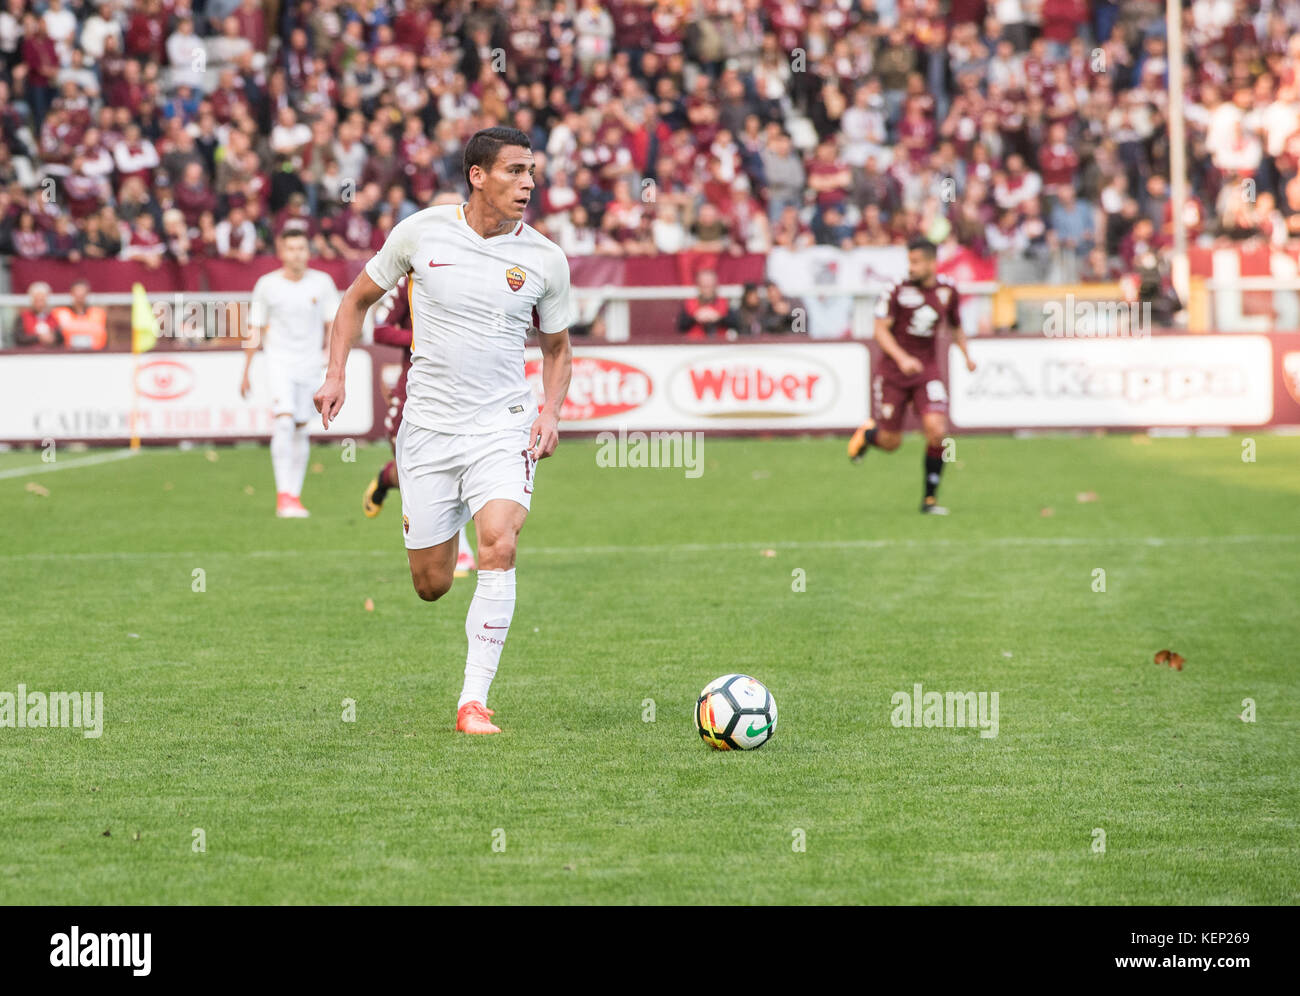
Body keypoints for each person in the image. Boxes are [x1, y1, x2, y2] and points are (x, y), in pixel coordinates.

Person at [314, 126, 574, 736]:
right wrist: (336, 376)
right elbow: (354, 302)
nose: (528, 183)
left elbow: (559, 349)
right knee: (431, 585)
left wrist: (550, 411)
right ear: (478, 175)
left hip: (503, 427)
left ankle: (473, 702)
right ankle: (450, 513)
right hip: (428, 430)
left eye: (532, 171)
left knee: (500, 545)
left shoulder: (544, 257)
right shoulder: (420, 232)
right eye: (514, 171)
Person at [847, 238, 977, 515]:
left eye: (917, 262)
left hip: (926, 371)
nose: (912, 267)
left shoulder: (947, 290)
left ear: (932, 262)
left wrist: (967, 355)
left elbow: (956, 326)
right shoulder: (896, 289)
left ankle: (929, 499)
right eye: (909, 262)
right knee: (891, 443)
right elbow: (880, 330)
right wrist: (902, 358)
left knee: (937, 431)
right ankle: (869, 435)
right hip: (893, 372)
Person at [363, 271, 478, 578]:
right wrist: (421, 339)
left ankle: (462, 551)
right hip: (414, 391)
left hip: (464, 391)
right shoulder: (411, 277)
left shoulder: (476, 269)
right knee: (419, 472)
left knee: (457, 469)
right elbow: (379, 329)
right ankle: (390, 477)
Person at [242, 229, 340, 518]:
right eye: (291, 248)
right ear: (281, 252)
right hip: (278, 361)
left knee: (300, 426)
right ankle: (283, 493)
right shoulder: (267, 285)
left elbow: (333, 322)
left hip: (310, 364)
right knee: (283, 422)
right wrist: (246, 369)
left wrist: (330, 355)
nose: (296, 253)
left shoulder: (322, 283)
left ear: (308, 252)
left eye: (301, 248)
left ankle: (293, 495)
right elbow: (255, 327)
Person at [677, 269, 737, 339]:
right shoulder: (690, 304)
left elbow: (736, 324)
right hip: (695, 345)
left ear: (715, 286)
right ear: (698, 286)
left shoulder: (725, 304)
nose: (707, 290)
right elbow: (681, 326)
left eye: (710, 286)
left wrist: (719, 318)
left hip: (720, 344)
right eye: (704, 286)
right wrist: (695, 317)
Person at [50, 278, 107, 349]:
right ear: (71, 293)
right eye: (77, 292)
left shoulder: (98, 313)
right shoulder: (60, 313)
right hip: (67, 354)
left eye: (83, 292)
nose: (80, 295)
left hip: (96, 354)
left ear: (87, 294)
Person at [12, 281, 63, 347]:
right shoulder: (22, 317)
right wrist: (38, 338)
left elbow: (60, 338)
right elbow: (18, 338)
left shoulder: (53, 317)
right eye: (37, 300)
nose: (40, 304)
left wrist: (53, 337)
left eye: (42, 300)